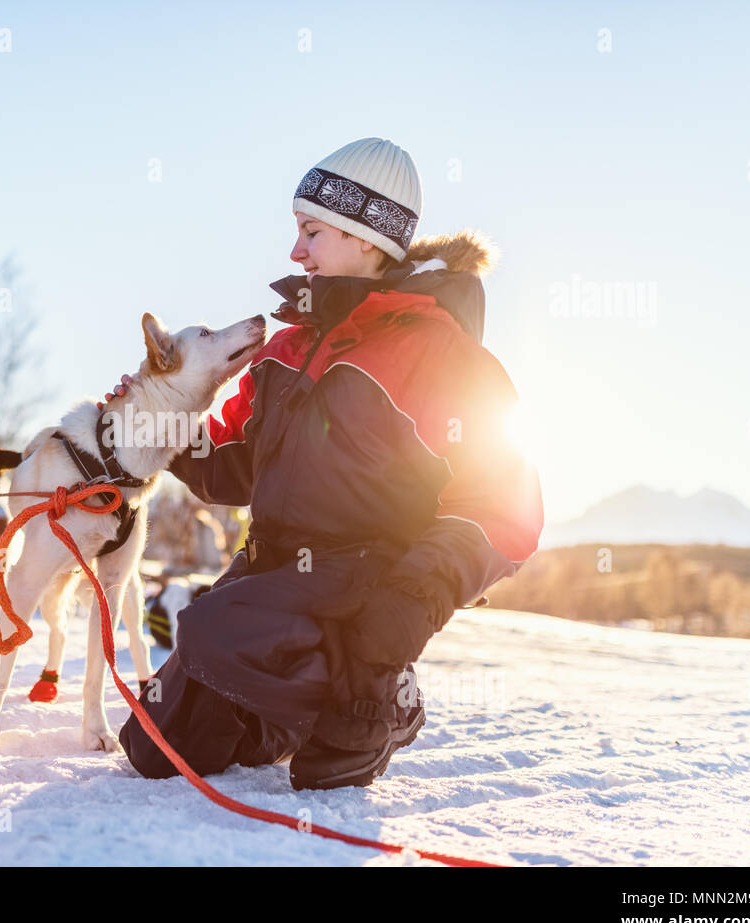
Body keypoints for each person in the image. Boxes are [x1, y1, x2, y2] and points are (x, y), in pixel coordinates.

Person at [106, 137, 544, 789]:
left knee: (210, 629)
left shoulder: (439, 355)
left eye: (311, 231)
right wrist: (156, 419)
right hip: (271, 571)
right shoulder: (286, 348)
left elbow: (507, 506)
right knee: (157, 745)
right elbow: (232, 464)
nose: (295, 251)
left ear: (366, 239)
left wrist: (414, 598)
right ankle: (292, 717)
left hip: (370, 579)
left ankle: (381, 694)